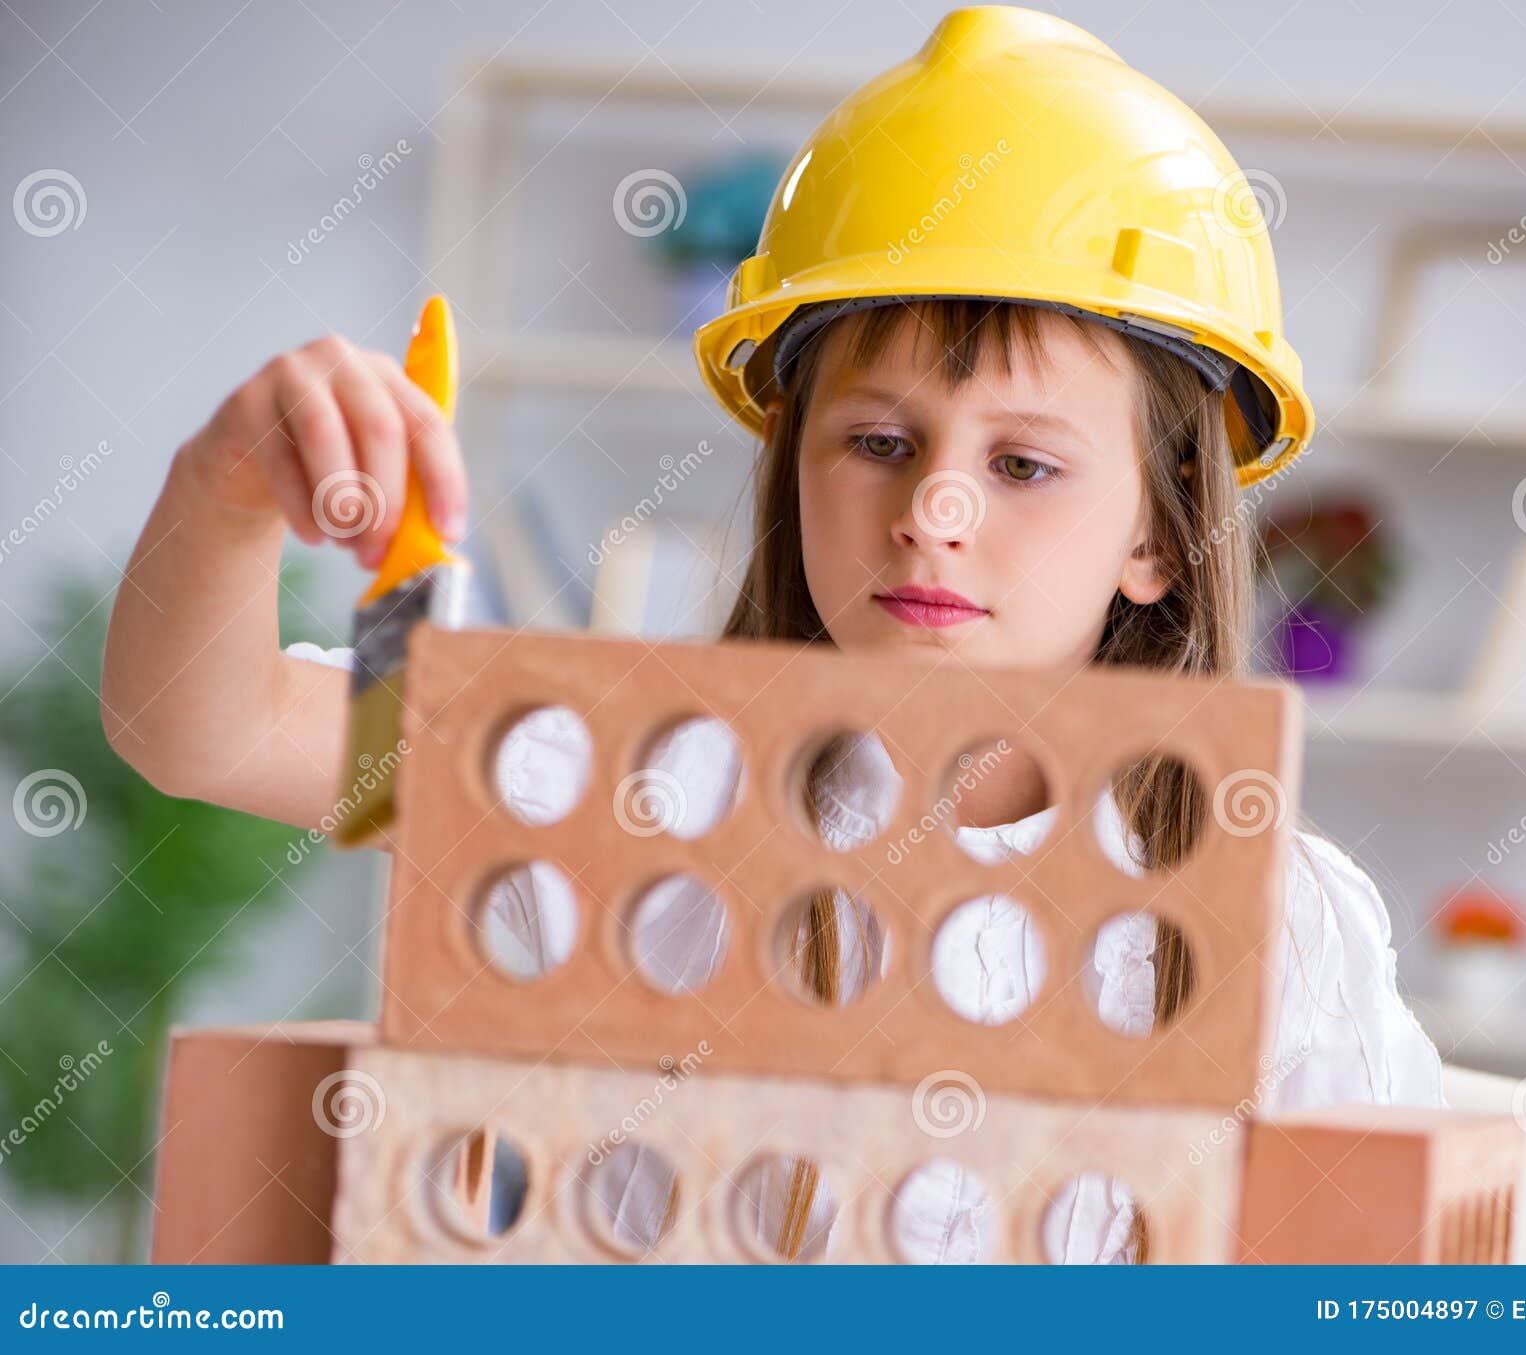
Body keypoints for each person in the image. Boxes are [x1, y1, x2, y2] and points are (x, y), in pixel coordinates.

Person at [101, 6, 1443, 1264]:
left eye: (1024, 465)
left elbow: (1372, 1265)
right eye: (879, 442)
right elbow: (201, 729)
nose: (931, 515)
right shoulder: (630, 785)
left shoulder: (1284, 915)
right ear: (793, 468)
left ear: (1160, 535)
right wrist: (224, 493)